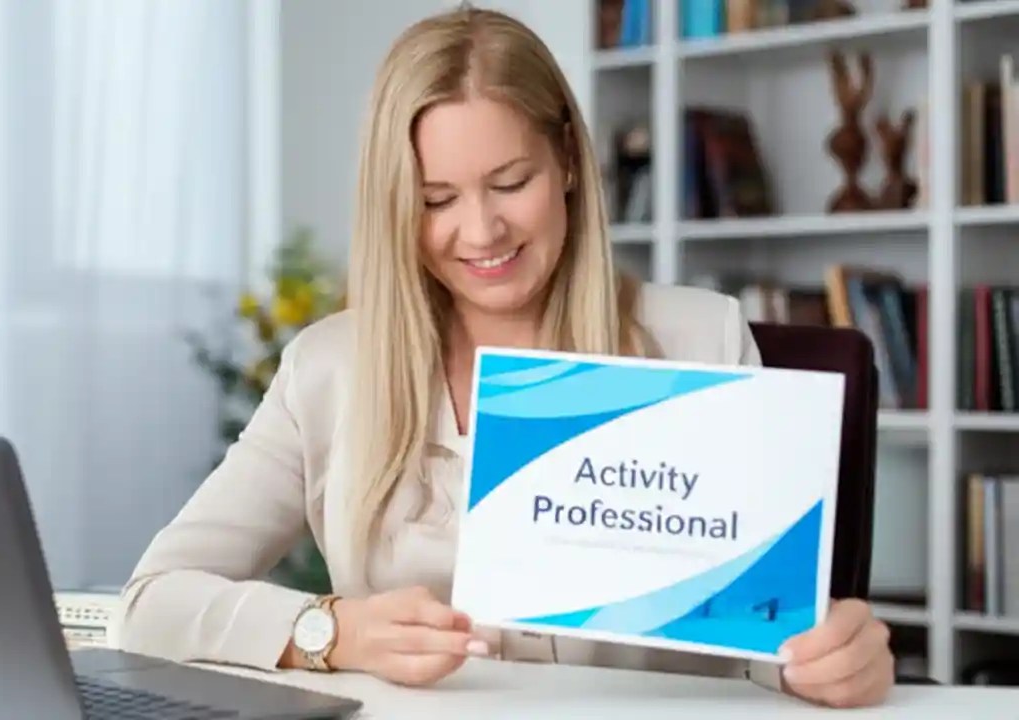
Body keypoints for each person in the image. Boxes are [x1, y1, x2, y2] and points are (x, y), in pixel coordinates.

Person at [114, 5, 894, 710]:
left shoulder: (704, 339)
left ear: (566, 161)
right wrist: (329, 632)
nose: (481, 232)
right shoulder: (328, 369)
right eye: (436, 200)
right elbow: (150, 603)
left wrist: (826, 655)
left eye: (509, 182)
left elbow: (767, 642)